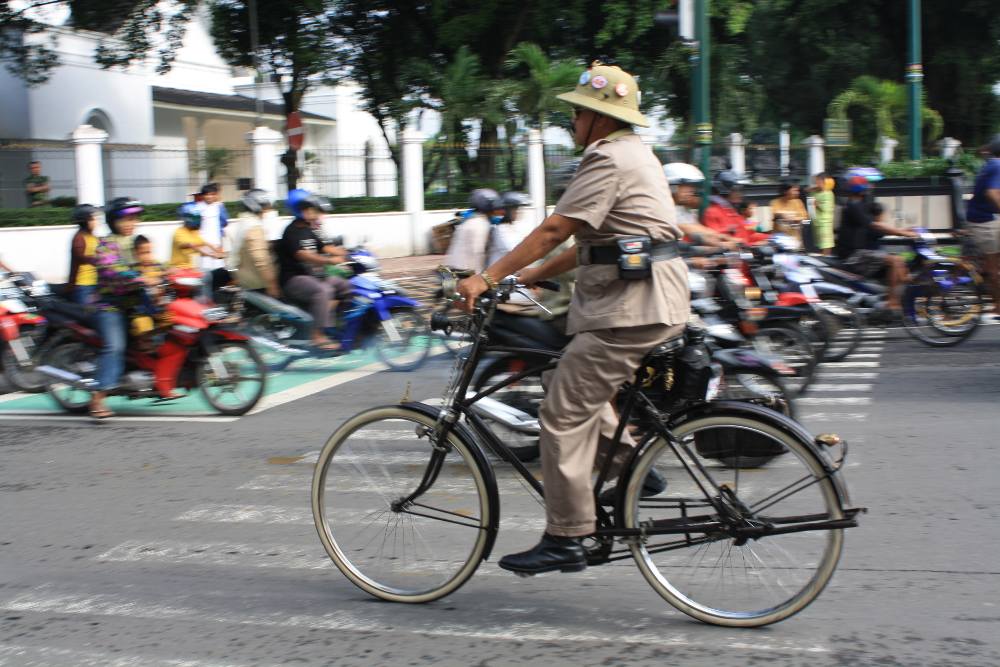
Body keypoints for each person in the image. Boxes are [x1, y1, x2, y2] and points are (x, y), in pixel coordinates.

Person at [457, 62, 690, 575]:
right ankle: (635, 471)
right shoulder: (638, 153)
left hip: (630, 309)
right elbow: (597, 240)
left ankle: (567, 536)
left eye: (578, 114)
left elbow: (555, 228)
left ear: (597, 118)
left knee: (560, 416)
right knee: (567, 376)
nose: (573, 123)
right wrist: (537, 274)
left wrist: (486, 278)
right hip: (646, 299)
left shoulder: (605, 159)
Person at [89, 198, 149, 419]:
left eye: (133, 218)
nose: (130, 223)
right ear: (114, 221)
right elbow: (110, 268)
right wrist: (136, 275)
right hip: (110, 306)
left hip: (135, 305)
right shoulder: (106, 244)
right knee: (115, 346)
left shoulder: (136, 243)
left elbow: (151, 262)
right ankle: (98, 397)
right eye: (125, 219)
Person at [276, 189, 350, 350]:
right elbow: (303, 255)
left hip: (311, 276)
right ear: (302, 211)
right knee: (322, 291)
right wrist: (330, 261)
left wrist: (349, 253)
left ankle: (336, 325)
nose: (316, 213)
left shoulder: (309, 229)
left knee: (345, 285)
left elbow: (326, 247)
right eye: (312, 210)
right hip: (293, 279)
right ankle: (317, 336)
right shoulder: (292, 231)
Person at [834, 177, 918, 311]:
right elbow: (876, 226)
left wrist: (903, 230)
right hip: (853, 255)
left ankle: (890, 296)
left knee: (901, 264)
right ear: (862, 191)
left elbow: (878, 225)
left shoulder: (858, 205)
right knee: (896, 261)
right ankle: (892, 303)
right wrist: (903, 233)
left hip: (860, 252)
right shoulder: (853, 206)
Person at [662, 162, 739, 249]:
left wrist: (724, 239)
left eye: (691, 186)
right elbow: (687, 228)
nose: (691, 190)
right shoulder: (664, 209)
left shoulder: (683, 209)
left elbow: (699, 232)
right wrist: (722, 242)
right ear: (671, 186)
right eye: (686, 186)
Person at [965, 135, 1000, 318]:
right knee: (993, 269)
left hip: (989, 218)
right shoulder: (997, 166)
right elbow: (992, 193)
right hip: (984, 221)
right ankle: (998, 305)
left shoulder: (993, 164)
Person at [226, 189, 281, 298]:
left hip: (245, 279)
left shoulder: (243, 222)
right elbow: (261, 260)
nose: (267, 211)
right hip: (258, 283)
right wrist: (272, 285)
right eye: (265, 207)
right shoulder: (254, 227)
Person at [443, 189, 504, 273]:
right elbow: (477, 253)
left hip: (455, 267)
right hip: (465, 271)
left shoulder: (471, 220)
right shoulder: (480, 224)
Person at [703, 171, 768, 246]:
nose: (739, 194)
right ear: (724, 191)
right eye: (736, 190)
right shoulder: (712, 212)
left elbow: (745, 235)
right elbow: (715, 238)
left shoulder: (731, 211)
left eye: (740, 190)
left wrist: (770, 238)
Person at [171, 203, 225, 271]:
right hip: (179, 269)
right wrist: (211, 255)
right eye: (196, 218)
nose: (199, 221)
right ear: (187, 219)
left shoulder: (194, 232)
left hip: (192, 269)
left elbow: (204, 243)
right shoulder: (179, 232)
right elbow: (190, 245)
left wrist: (218, 251)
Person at [68, 204, 101, 305]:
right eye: (93, 218)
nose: (96, 221)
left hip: (96, 283)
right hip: (83, 285)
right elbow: (80, 257)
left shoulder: (93, 237)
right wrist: (98, 260)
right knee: (88, 314)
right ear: (85, 221)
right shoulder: (79, 238)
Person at [769, 179, 809, 243]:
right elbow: (775, 215)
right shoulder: (775, 202)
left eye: (797, 191)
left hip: (795, 239)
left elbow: (806, 219)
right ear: (785, 191)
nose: (797, 193)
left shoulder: (798, 202)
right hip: (779, 238)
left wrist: (793, 219)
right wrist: (782, 215)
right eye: (794, 190)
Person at [811, 172, 836, 255]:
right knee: (819, 243)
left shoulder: (828, 193)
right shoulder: (817, 192)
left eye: (818, 181)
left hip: (825, 223)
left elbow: (827, 208)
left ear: (824, 181)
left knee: (826, 243)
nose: (816, 183)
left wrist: (817, 204)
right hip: (816, 221)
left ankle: (826, 258)